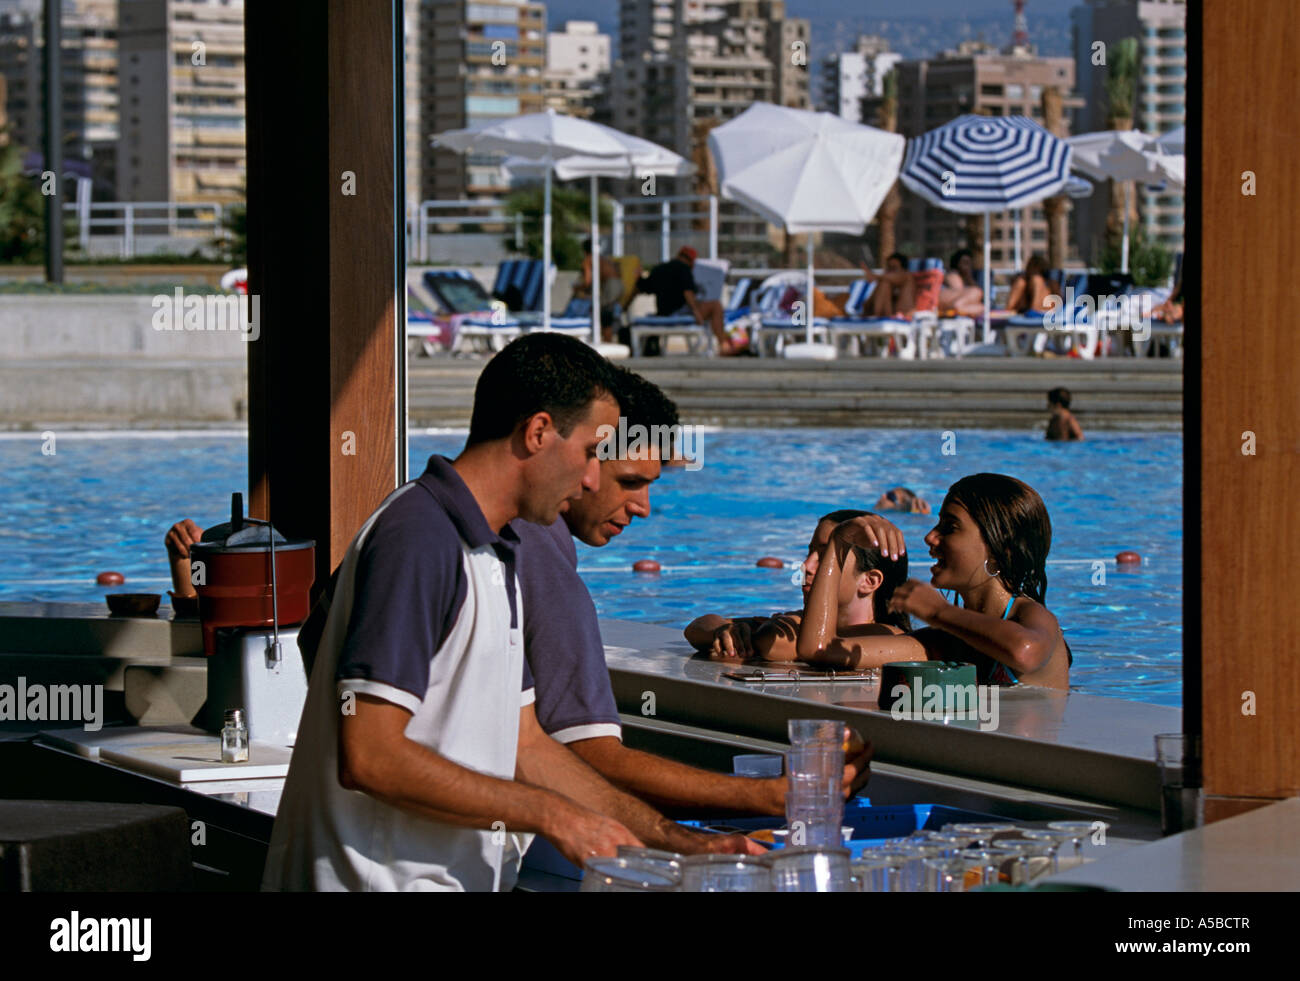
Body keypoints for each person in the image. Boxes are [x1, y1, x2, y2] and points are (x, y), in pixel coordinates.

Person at [261, 334, 728, 892]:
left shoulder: (496, 549)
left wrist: (677, 840)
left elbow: (525, 744)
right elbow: (370, 755)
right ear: (538, 433)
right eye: (589, 452)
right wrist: (552, 815)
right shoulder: (420, 537)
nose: (590, 478)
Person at [512, 369, 868, 827]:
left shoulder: (491, 537)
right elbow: (589, 756)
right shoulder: (543, 571)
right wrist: (759, 799)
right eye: (628, 480)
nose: (643, 507)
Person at [826, 474, 1073, 689]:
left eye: (950, 527)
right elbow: (820, 649)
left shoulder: (1032, 617)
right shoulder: (950, 639)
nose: (930, 537)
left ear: (1000, 549)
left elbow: (1025, 652)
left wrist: (938, 611)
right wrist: (838, 545)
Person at [683, 510, 908, 663]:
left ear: (870, 581)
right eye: (810, 552)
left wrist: (758, 631)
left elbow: (772, 642)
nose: (806, 566)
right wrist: (724, 631)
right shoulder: (796, 621)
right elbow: (696, 628)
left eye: (825, 557)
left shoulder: (886, 636)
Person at [640, 245, 739, 355]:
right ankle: (724, 345)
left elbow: (643, 287)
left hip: (662, 313)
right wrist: (697, 312)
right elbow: (688, 293)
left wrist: (637, 275)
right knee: (715, 305)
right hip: (677, 312)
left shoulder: (659, 268)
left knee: (711, 305)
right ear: (691, 262)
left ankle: (723, 344)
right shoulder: (684, 269)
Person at [573, 238, 623, 330]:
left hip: (611, 285)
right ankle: (608, 334)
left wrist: (578, 287)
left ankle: (605, 335)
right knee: (606, 312)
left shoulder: (588, 260)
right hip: (619, 284)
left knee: (603, 312)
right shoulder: (601, 258)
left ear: (584, 250)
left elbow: (587, 282)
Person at [860, 251, 916, 318]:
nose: (891, 271)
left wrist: (874, 276)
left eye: (894, 267)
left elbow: (895, 277)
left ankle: (877, 316)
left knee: (884, 283)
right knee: (884, 284)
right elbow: (867, 304)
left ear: (903, 268)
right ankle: (876, 316)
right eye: (889, 267)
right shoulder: (886, 283)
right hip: (889, 315)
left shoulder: (907, 275)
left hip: (904, 314)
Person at [938, 248, 984, 318]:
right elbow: (960, 296)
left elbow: (977, 296)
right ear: (957, 263)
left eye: (969, 263)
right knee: (977, 296)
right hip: (946, 304)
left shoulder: (966, 277)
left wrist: (969, 277)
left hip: (956, 305)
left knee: (980, 302)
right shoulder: (953, 275)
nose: (968, 265)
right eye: (965, 262)